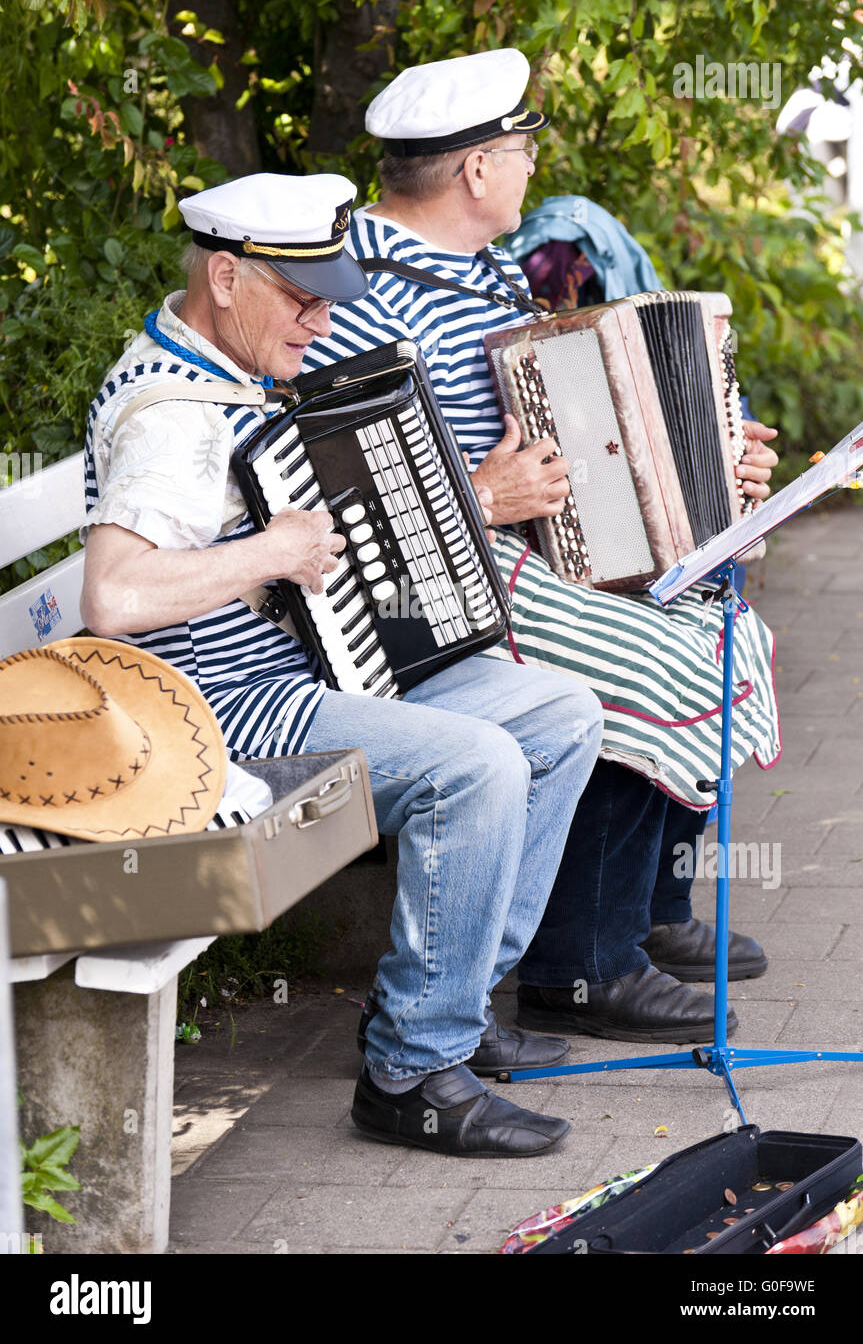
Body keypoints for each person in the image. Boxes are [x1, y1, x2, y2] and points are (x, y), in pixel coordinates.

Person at [78, 172, 603, 1157]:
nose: (321, 322)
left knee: (561, 713)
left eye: (328, 299)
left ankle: (444, 1002)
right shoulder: (171, 414)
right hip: (221, 713)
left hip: (304, 675)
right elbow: (113, 596)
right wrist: (273, 552)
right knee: (476, 762)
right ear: (226, 277)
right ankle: (410, 1072)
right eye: (301, 299)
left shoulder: (230, 370)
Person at [302, 50, 783, 1043]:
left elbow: (565, 421)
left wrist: (707, 470)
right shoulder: (366, 298)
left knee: (703, 607)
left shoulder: (480, 272)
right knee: (648, 652)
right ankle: (581, 967)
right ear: (476, 168)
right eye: (521, 149)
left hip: (506, 550)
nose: (531, 168)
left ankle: (635, 914)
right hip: (419, 591)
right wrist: (484, 492)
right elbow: (346, 497)